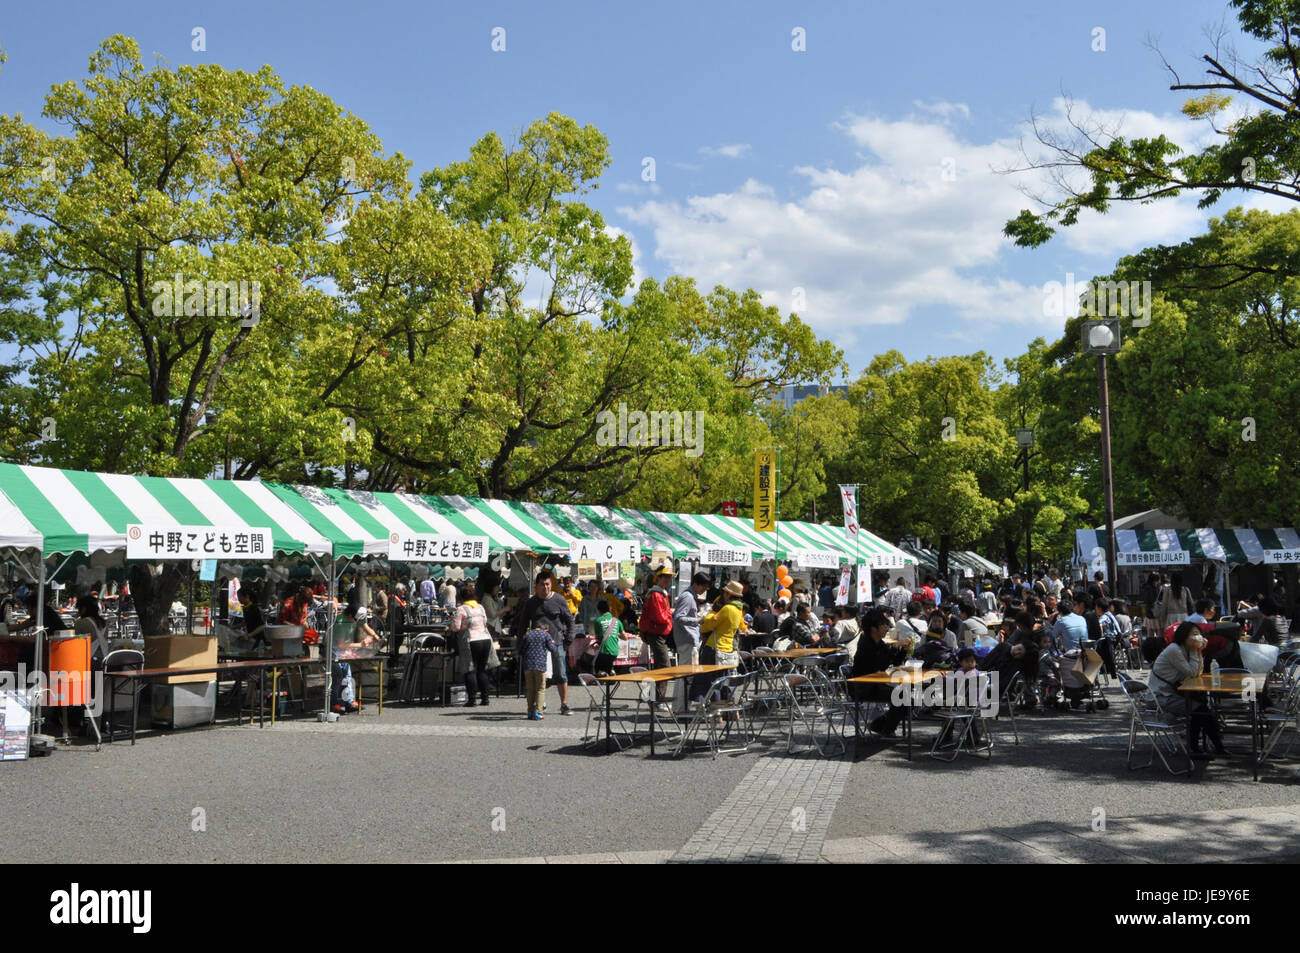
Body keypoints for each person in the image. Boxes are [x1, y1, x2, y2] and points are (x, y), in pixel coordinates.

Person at [1151, 622, 1225, 756]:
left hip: (1174, 693)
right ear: (1184, 636)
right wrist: (1196, 651)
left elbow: (1198, 672)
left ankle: (1212, 747)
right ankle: (1198, 748)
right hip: (1161, 696)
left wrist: (1198, 651)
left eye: (1199, 634)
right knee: (1200, 709)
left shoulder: (1186, 649)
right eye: (1194, 634)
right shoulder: (1174, 649)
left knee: (1202, 708)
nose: (1198, 637)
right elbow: (1191, 673)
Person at [512, 571, 575, 715]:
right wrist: (520, 644)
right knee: (539, 675)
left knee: (561, 674)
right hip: (537, 645)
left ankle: (564, 704)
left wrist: (568, 640)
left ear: (551, 585)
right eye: (542, 585)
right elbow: (522, 624)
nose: (545, 588)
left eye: (547, 584)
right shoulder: (531, 602)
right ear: (536, 586)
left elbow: (570, 620)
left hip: (557, 643)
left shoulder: (559, 600)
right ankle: (540, 703)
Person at [850, 607, 911, 736]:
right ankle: (885, 729)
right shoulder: (866, 645)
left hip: (875, 685)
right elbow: (881, 664)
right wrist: (895, 647)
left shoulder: (879, 643)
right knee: (903, 697)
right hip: (863, 687)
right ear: (874, 628)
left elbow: (893, 661)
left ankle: (881, 725)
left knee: (908, 696)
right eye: (884, 625)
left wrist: (904, 649)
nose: (887, 628)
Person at [697, 580, 746, 700]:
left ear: (728, 594)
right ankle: (727, 709)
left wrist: (709, 615)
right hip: (728, 649)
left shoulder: (727, 608)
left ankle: (716, 711)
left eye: (725, 592)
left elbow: (708, 625)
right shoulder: (739, 610)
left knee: (711, 682)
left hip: (714, 647)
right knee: (723, 681)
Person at [332, 598, 382, 714]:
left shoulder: (355, 617)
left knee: (347, 674)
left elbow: (365, 626)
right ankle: (333, 703)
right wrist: (361, 644)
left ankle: (349, 702)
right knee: (337, 675)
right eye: (355, 619)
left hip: (342, 651)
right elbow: (341, 644)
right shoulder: (340, 622)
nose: (356, 622)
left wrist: (375, 636)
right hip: (332, 650)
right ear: (350, 615)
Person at [638, 566, 676, 708]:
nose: (668, 579)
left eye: (669, 576)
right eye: (665, 576)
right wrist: (671, 614)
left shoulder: (660, 593)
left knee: (661, 666)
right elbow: (659, 617)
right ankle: (658, 699)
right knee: (664, 666)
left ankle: (651, 696)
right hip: (656, 634)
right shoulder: (656, 594)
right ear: (658, 577)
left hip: (658, 634)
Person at [450, 582, 493, 707]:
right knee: (482, 670)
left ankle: (472, 699)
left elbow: (456, 627)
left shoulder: (461, 609)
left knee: (470, 670)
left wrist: (451, 625)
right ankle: (485, 699)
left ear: (462, 598)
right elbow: (485, 621)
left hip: (471, 640)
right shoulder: (480, 607)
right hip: (485, 640)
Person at [518, 625, 556, 720]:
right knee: (540, 689)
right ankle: (538, 712)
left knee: (530, 689)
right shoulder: (546, 635)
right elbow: (553, 649)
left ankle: (530, 712)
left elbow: (521, 650)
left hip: (528, 665)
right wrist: (552, 643)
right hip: (540, 665)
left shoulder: (527, 635)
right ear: (546, 628)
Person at [672, 571, 709, 669]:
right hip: (687, 640)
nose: (704, 590)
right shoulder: (688, 597)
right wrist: (698, 620)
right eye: (703, 587)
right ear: (696, 583)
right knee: (685, 673)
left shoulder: (691, 596)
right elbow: (678, 617)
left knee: (689, 672)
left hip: (689, 639)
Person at [73, 595, 110, 663]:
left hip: (88, 660)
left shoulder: (80, 623)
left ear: (84, 609)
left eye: (79, 609)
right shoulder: (103, 623)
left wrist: (82, 635)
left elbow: (77, 638)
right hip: (104, 659)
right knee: (99, 674)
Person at [590, 600, 623, 676]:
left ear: (599, 610)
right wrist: (616, 634)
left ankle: (604, 675)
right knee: (608, 664)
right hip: (615, 651)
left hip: (604, 650)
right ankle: (612, 673)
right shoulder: (617, 621)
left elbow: (598, 636)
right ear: (610, 609)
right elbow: (624, 636)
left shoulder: (598, 621)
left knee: (597, 667)